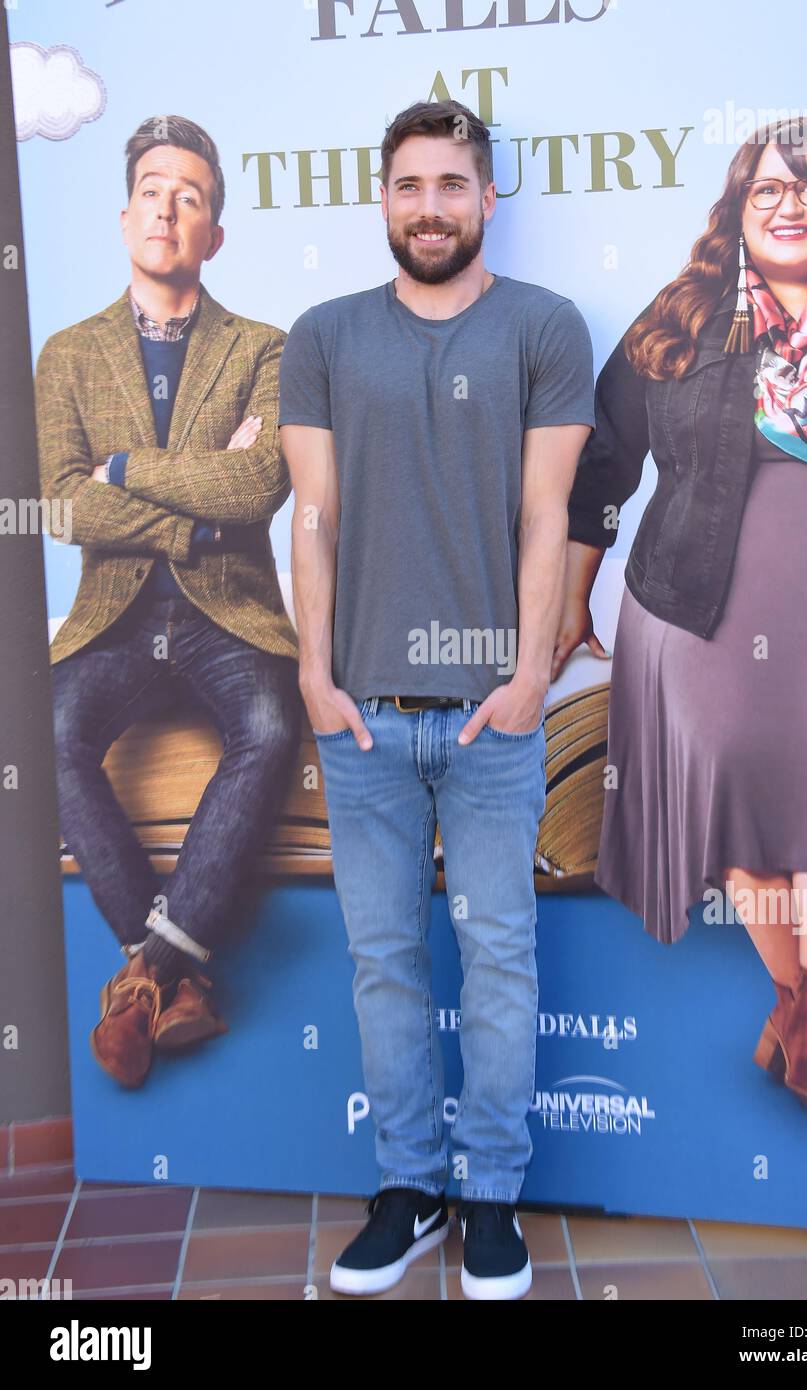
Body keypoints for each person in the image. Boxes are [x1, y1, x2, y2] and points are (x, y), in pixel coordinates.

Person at [280, 99, 594, 1298]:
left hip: (489, 721)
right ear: (382, 199)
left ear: (485, 199)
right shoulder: (322, 334)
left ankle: (494, 1199)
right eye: (409, 185)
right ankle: (409, 1189)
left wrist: (525, 678)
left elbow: (545, 516)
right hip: (360, 713)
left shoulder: (543, 328)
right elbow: (314, 517)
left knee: (501, 958)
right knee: (384, 960)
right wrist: (314, 672)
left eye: (451, 185)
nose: (429, 207)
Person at [556, 117, 807, 1118]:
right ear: (738, 209)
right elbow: (604, 467)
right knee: (718, 757)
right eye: (768, 189)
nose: (790, 204)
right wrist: (571, 596)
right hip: (696, 591)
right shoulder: (679, 315)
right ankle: (802, 1005)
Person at [36, 116, 302, 1090]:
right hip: (114, 610)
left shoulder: (265, 348)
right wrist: (185, 514)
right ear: (123, 218)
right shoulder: (66, 355)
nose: (168, 207)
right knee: (45, 726)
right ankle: (177, 976)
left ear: (214, 234)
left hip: (227, 610)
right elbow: (61, 501)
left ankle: (144, 976)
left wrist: (122, 469)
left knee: (272, 723)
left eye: (191, 196)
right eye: (153, 189)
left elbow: (258, 486)